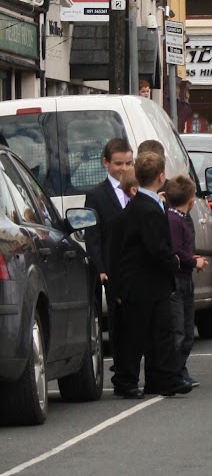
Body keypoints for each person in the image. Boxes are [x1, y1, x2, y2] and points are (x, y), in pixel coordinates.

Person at [109, 148, 186, 399]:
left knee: (155, 333)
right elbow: (156, 248)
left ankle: (160, 379)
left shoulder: (140, 205)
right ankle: (129, 381)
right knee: (141, 335)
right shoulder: (149, 209)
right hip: (144, 283)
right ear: (161, 176)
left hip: (146, 283)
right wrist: (173, 261)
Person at [83, 136, 135, 386]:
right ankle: (121, 370)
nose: (123, 169)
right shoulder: (96, 196)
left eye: (128, 163)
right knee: (118, 319)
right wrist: (100, 267)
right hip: (113, 269)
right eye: (118, 164)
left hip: (137, 266)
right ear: (106, 163)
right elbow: (93, 235)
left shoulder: (138, 190)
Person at [165, 174, 206, 391]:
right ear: (191, 200)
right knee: (178, 331)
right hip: (177, 280)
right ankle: (175, 372)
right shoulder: (174, 220)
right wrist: (194, 261)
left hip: (185, 279)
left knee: (188, 330)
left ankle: (181, 370)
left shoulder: (180, 218)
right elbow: (177, 251)